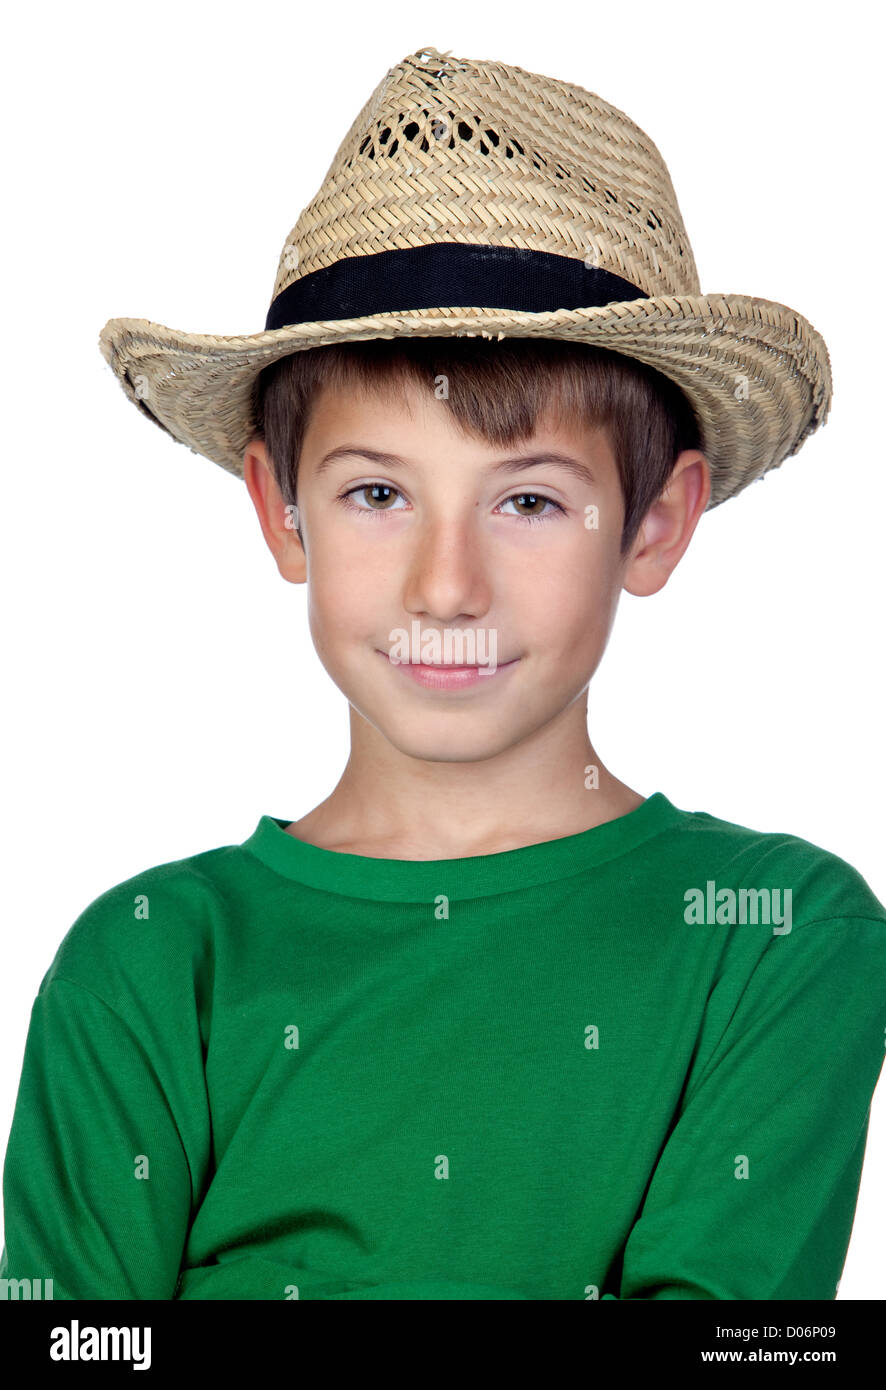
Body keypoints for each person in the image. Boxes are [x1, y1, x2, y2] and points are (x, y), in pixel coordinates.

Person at [2, 45, 884, 1301]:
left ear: (655, 523)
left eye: (527, 498)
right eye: (375, 493)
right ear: (279, 511)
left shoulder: (779, 936)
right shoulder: (149, 962)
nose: (444, 584)